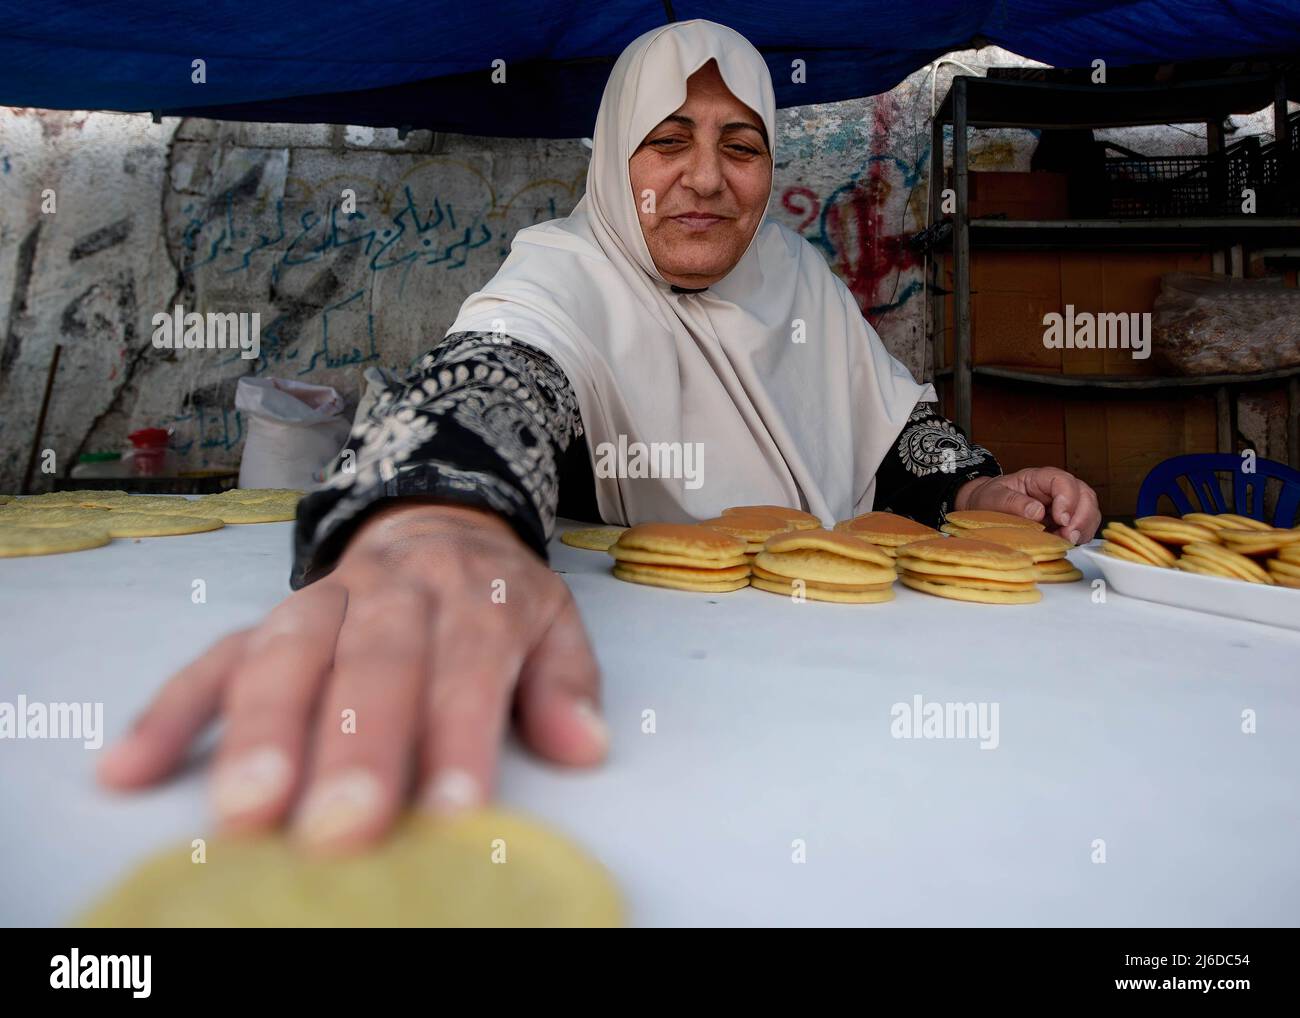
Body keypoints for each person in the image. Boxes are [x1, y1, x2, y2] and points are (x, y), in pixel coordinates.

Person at [97, 20, 1101, 854]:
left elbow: (891, 436)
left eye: (740, 146)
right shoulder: (566, 270)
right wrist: (437, 515)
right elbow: (497, 376)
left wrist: (976, 493)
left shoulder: (796, 278)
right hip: (660, 720)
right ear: (616, 152)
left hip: (848, 705)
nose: (706, 179)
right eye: (668, 141)